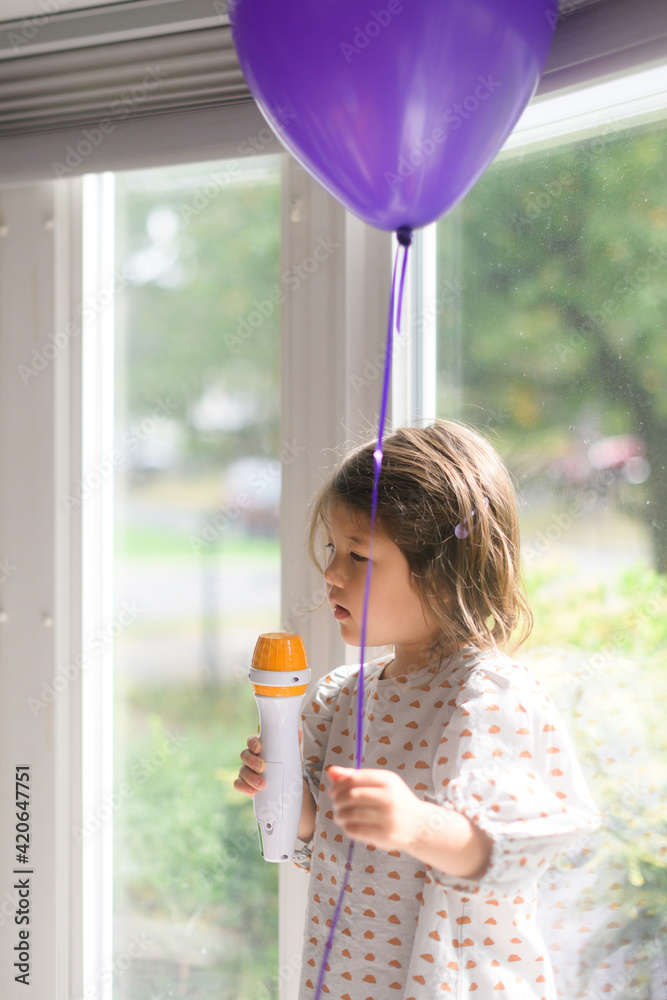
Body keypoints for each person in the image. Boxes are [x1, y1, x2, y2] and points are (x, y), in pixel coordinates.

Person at [235, 419, 600, 1000]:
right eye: (333, 549)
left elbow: (511, 848)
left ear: (444, 571)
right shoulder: (340, 698)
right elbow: (319, 841)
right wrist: (285, 792)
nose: (330, 574)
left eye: (358, 555)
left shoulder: (487, 698)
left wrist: (416, 823)